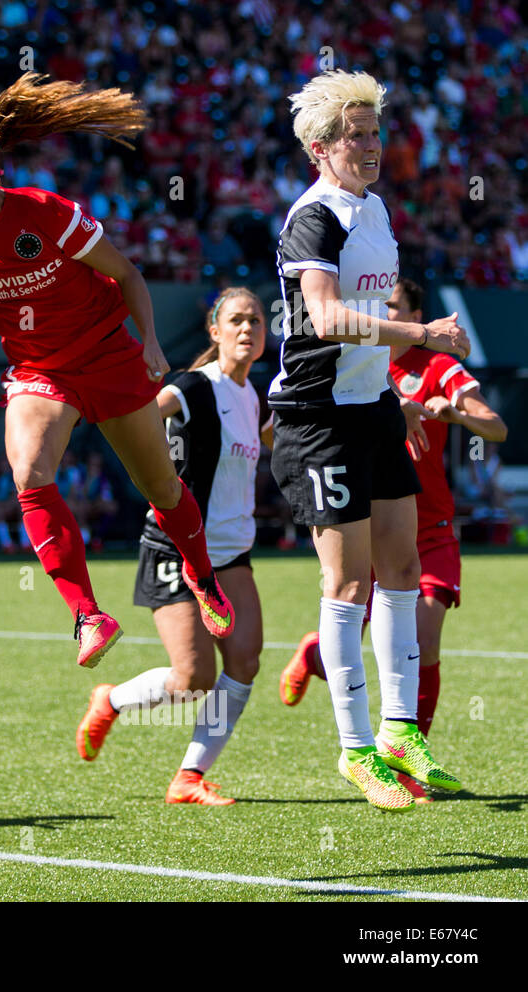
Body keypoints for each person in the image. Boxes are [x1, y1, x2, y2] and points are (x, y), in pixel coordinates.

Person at [0, 73, 234, 668]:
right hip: (40, 370)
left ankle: (202, 575)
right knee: (29, 474)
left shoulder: (49, 215)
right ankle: (88, 615)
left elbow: (127, 275)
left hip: (107, 355)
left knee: (162, 488)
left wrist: (147, 340)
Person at [267, 71, 468, 812]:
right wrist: (416, 334)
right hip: (318, 415)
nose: (370, 145)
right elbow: (322, 317)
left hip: (372, 405)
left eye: (375, 132)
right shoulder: (314, 218)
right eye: (355, 135)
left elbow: (363, 315)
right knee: (347, 583)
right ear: (321, 147)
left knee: (404, 565)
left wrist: (396, 391)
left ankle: (399, 732)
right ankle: (354, 752)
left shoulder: (376, 209)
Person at [279, 277, 506, 800]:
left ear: (418, 315)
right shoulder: (361, 367)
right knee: (354, 606)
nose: (386, 315)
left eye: (396, 307)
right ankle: (315, 656)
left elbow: (496, 427)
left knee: (423, 637)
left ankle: (406, 755)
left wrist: (458, 413)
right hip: (372, 520)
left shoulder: (435, 367)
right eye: (380, 307)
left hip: (431, 526)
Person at [77, 288, 272, 805]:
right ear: (214, 331)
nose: (247, 328)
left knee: (246, 661)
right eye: (236, 320)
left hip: (231, 552)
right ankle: (111, 700)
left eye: (256, 320)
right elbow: (147, 409)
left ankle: (188, 777)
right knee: (193, 678)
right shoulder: (193, 386)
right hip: (177, 547)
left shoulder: (254, 394)